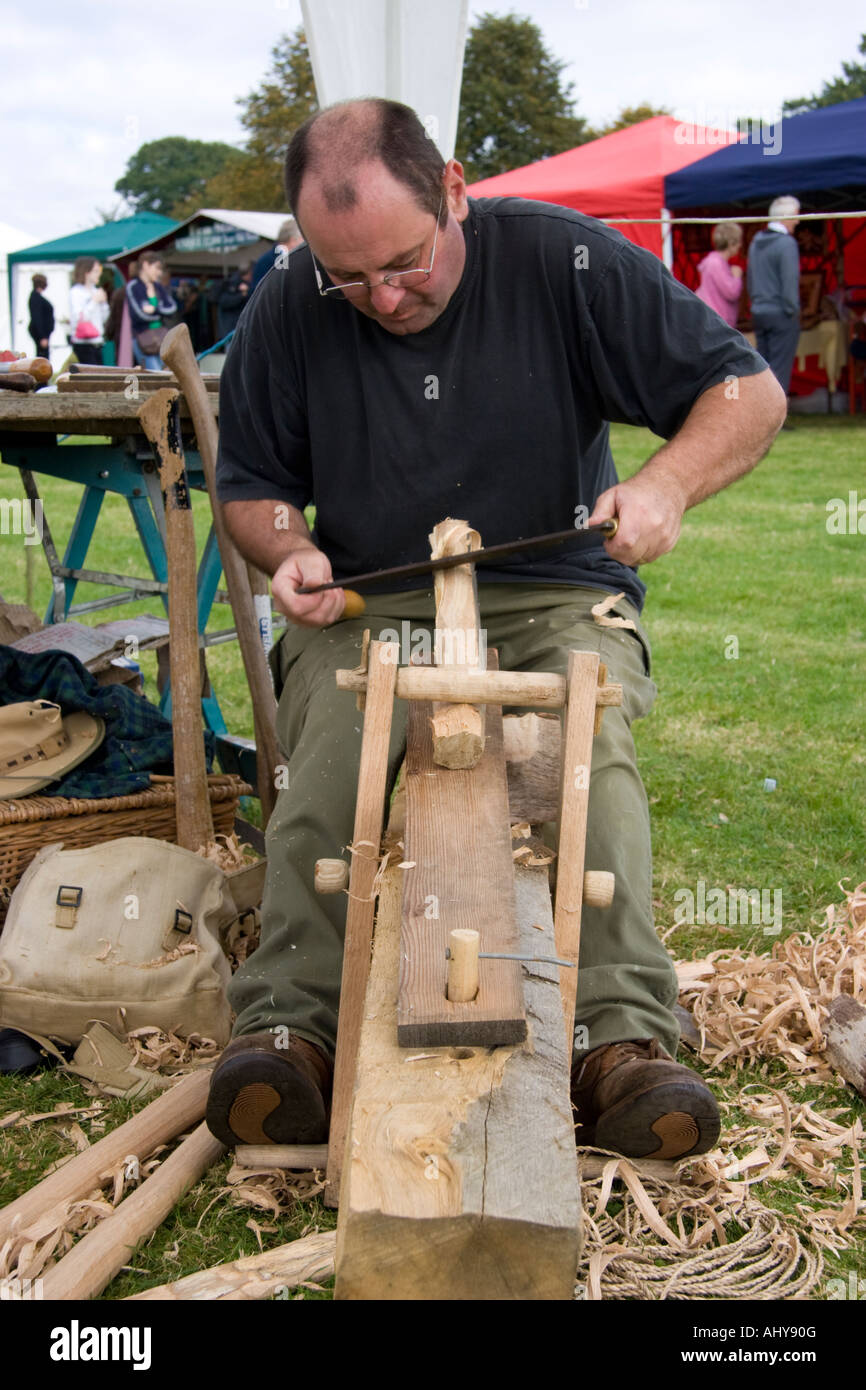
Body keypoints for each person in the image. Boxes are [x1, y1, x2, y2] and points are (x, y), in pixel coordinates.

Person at [209, 99, 786, 1161]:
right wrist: (287, 548)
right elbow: (249, 486)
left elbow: (744, 393)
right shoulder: (293, 299)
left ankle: (619, 1037)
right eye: (351, 276)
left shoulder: (562, 263)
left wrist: (663, 484)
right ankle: (289, 1023)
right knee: (334, 750)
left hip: (553, 582)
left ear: (456, 190)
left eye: (404, 260)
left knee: (585, 743)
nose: (382, 297)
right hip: (374, 596)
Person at [747, 195, 802, 413]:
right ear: (787, 217)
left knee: (763, 368)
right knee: (780, 367)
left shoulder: (756, 241)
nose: (797, 222)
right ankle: (774, 416)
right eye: (796, 217)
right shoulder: (787, 244)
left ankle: (760, 415)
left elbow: (750, 279)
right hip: (780, 312)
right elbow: (790, 283)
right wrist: (794, 311)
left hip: (759, 311)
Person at [126, 251, 178, 369]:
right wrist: (160, 313)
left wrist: (154, 309)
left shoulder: (158, 287)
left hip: (161, 339)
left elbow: (172, 308)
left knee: (166, 373)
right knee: (154, 373)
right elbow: (138, 315)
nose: (159, 273)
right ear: (145, 265)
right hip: (143, 340)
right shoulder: (133, 286)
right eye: (157, 268)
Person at [695, 222, 743, 328]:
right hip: (718, 322)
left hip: (715, 321)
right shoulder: (715, 263)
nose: (740, 245)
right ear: (731, 243)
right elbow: (731, 292)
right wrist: (736, 277)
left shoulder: (714, 262)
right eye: (738, 241)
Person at [68, 257, 108, 365]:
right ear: (86, 272)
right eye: (95, 271)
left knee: (100, 376)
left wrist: (103, 303)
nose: (98, 274)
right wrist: (94, 301)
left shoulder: (96, 291)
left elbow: (103, 318)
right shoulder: (76, 292)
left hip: (97, 341)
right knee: (91, 378)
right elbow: (79, 318)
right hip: (83, 343)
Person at [252, 218, 305, 290]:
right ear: (293, 240)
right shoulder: (266, 261)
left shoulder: (298, 258)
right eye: (302, 238)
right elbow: (257, 292)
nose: (305, 242)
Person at [215, 264, 253, 339]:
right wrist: (242, 295)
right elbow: (224, 302)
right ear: (249, 273)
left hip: (238, 329)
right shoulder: (232, 284)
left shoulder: (245, 285)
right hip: (231, 329)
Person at [28, 274, 54, 361]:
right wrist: (42, 336)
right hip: (41, 334)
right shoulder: (36, 298)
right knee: (42, 356)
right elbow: (37, 317)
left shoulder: (37, 297)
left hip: (43, 333)